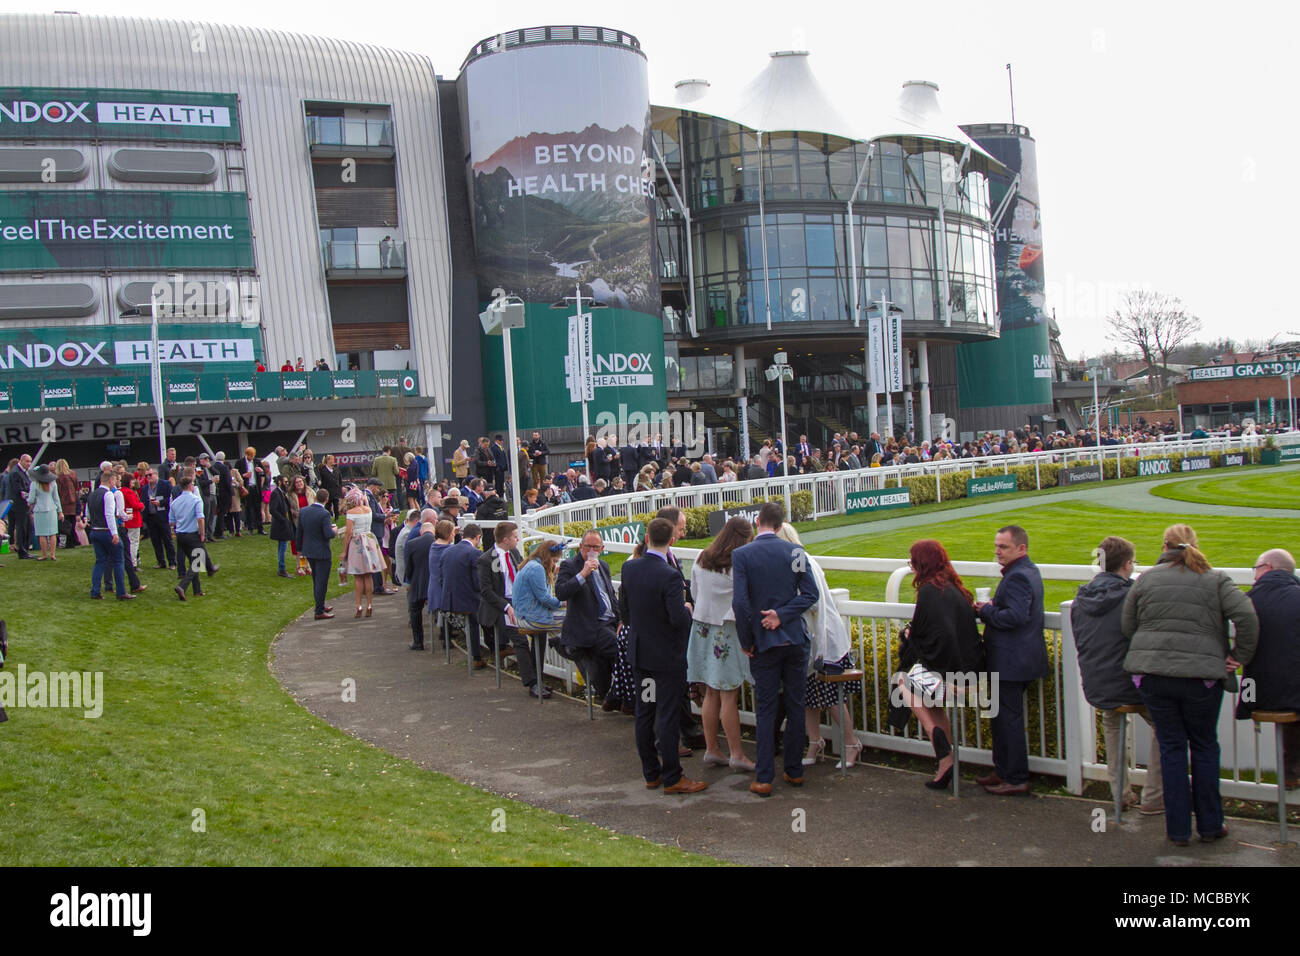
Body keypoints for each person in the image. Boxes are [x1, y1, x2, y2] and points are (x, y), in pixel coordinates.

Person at [1123, 524, 1258, 846]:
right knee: (1204, 746)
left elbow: (1128, 625)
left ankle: (1178, 830)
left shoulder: (1146, 579)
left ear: (1164, 545)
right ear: (1194, 544)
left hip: (1154, 677)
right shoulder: (1214, 578)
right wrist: (1238, 656)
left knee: (1172, 748)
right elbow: (1247, 617)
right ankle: (1211, 825)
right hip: (1202, 678)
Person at [1071, 536, 1163, 813]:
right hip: (1131, 684)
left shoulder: (1082, 596)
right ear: (1127, 564)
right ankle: (1154, 796)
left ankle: (1119, 793)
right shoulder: (1133, 594)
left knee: (1113, 720)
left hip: (1097, 684)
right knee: (1169, 724)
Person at [732, 502, 818, 797]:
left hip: (763, 644)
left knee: (766, 710)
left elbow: (741, 604)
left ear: (757, 522)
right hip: (794, 640)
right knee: (795, 706)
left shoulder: (742, 555)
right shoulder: (794, 551)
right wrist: (783, 615)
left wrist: (747, 641)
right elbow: (810, 594)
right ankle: (794, 771)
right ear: (781, 526)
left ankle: (765, 777)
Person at [620, 517, 707, 794]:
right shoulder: (669, 575)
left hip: (642, 655)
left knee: (645, 713)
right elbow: (678, 618)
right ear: (671, 541)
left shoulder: (630, 567)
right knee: (667, 715)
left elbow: (625, 611)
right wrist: (689, 609)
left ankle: (651, 773)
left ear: (647, 538)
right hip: (666, 660)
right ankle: (672, 777)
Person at [897, 539, 985, 788]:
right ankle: (947, 763)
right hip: (975, 672)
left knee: (903, 682)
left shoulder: (927, 591)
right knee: (930, 698)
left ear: (921, 563)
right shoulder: (955, 587)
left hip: (954, 677)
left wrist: (907, 636)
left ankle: (938, 743)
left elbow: (924, 637)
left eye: (912, 561)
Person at [974, 525, 1046, 796]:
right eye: (996, 546)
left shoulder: (1018, 576)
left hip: (1013, 661)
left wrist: (987, 610)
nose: (997, 551)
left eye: (1003, 547)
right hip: (1017, 659)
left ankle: (1015, 777)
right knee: (1003, 719)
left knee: (1008, 721)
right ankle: (1004, 771)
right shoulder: (1026, 571)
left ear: (1021, 548)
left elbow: (1014, 617)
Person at [685, 516, 756, 771]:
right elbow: (744, 600)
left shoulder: (701, 557)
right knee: (728, 694)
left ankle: (713, 748)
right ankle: (737, 754)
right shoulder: (738, 563)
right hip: (724, 629)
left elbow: (694, 592)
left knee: (711, 692)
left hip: (701, 626)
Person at [1239, 548, 1300, 789]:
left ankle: (1290, 772)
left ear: (1267, 568)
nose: (1254, 576)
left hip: (1252, 695)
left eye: (1256, 570)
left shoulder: (1248, 599)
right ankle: (1291, 772)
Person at [477, 522, 550, 698]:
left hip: (521, 603)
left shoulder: (515, 553)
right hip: (500, 607)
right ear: (505, 539)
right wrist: (506, 606)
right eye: (515, 537)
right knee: (521, 640)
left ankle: (537, 677)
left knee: (540, 633)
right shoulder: (486, 560)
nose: (518, 540)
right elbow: (486, 591)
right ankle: (532, 682)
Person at [555, 531, 620, 706]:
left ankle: (617, 692)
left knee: (633, 644)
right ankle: (616, 694)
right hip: (590, 624)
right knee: (619, 647)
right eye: (588, 547)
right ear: (580, 547)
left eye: (595, 547)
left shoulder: (604, 566)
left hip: (610, 621)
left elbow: (611, 597)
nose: (591, 551)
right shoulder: (570, 565)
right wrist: (582, 574)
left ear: (602, 549)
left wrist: (622, 620)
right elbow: (561, 592)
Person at [87, 468, 133, 601]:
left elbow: (88, 514)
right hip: (106, 531)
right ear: (111, 480)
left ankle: (95, 591)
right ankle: (121, 592)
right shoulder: (108, 495)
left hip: (95, 531)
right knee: (118, 560)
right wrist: (114, 533)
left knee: (100, 561)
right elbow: (109, 515)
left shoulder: (92, 494)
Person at [339, 487, 385, 617]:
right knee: (368, 575)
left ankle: (359, 605)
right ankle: (369, 604)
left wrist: (344, 551)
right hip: (369, 540)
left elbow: (348, 533)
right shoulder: (368, 509)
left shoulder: (351, 513)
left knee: (358, 576)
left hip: (357, 542)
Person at [169, 474, 212, 600]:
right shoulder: (196, 500)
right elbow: (200, 518)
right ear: (190, 485)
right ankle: (182, 586)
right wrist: (203, 533)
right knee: (197, 562)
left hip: (180, 534)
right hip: (192, 534)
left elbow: (171, 521)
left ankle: (197, 590)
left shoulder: (175, 502)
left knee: (194, 561)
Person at [297, 489, 337, 619]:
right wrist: (334, 530)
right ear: (326, 499)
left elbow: (299, 533)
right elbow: (328, 534)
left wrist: (300, 549)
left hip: (309, 550)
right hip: (322, 552)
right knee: (322, 581)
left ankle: (320, 603)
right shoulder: (324, 514)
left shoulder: (303, 511)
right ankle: (319, 611)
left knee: (316, 579)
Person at [512, 538, 565, 631]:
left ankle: (556, 641)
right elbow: (545, 598)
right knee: (573, 617)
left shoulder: (531, 564)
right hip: (531, 617)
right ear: (548, 557)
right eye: (554, 561)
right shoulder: (537, 568)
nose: (554, 565)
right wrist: (562, 603)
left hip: (525, 614)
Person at [403, 515, 437, 649]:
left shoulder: (412, 544)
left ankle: (418, 642)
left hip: (418, 582)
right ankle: (446, 639)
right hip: (434, 583)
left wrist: (410, 580)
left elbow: (408, 566)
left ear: (421, 532)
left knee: (415, 612)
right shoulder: (437, 542)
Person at [141, 466, 177, 568]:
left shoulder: (165, 484)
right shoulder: (144, 488)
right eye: (146, 475)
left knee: (167, 540)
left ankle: (172, 562)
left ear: (156, 475)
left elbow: (172, 499)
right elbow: (143, 501)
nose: (148, 477)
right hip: (151, 517)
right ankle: (161, 562)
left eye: (150, 475)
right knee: (155, 541)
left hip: (163, 516)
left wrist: (160, 502)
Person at [26, 463, 60, 561]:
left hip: (40, 510)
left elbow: (31, 500)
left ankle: (44, 555)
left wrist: (26, 499)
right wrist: (60, 511)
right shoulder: (53, 483)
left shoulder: (34, 484)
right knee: (53, 533)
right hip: (52, 510)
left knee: (42, 534)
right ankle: (53, 554)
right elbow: (56, 498)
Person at [269, 475, 297, 578]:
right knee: (283, 546)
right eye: (285, 482)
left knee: (283, 546)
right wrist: (283, 519)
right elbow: (272, 510)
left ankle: (282, 568)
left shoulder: (281, 493)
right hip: (281, 525)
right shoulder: (276, 494)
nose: (287, 484)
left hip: (284, 523)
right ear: (280, 482)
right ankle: (282, 568)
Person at [6, 454, 33, 559]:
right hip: (19, 505)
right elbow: (19, 490)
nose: (29, 464)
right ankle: (22, 551)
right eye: (27, 461)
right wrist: (30, 495)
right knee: (22, 528)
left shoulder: (21, 472)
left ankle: (24, 550)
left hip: (21, 504)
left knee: (27, 527)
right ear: (21, 461)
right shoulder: (16, 472)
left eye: (30, 461)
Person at [55, 459, 79, 550]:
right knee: (72, 524)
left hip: (63, 503)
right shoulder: (72, 474)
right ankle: (72, 542)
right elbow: (77, 487)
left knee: (65, 524)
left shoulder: (57, 477)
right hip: (72, 502)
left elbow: (58, 491)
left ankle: (68, 542)